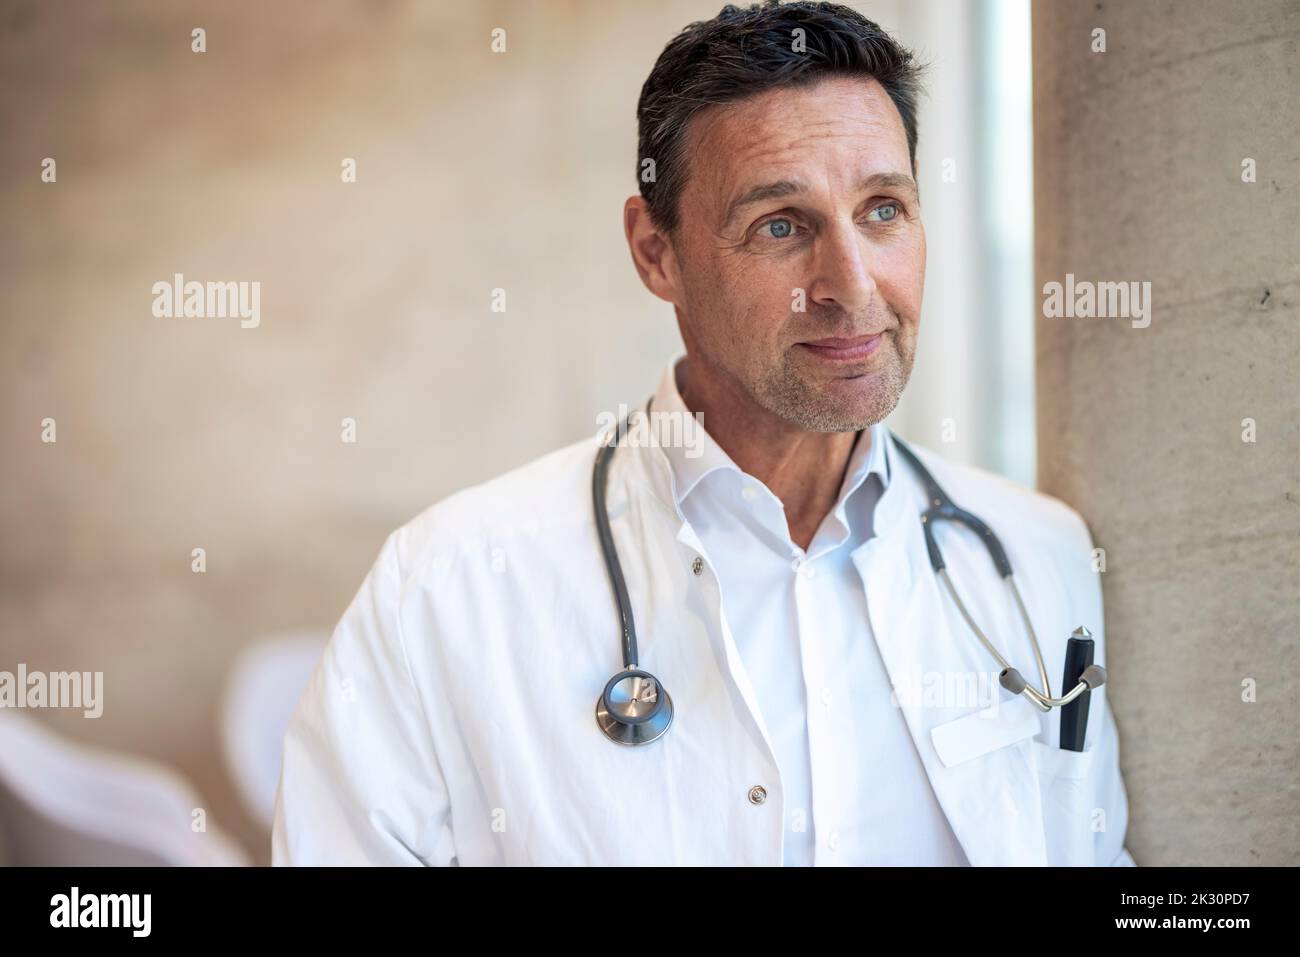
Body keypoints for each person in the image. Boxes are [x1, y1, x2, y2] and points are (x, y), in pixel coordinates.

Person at [272, 0, 1134, 867]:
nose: (851, 285)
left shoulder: (1036, 556)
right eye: (781, 225)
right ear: (657, 253)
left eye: (882, 210)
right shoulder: (448, 590)